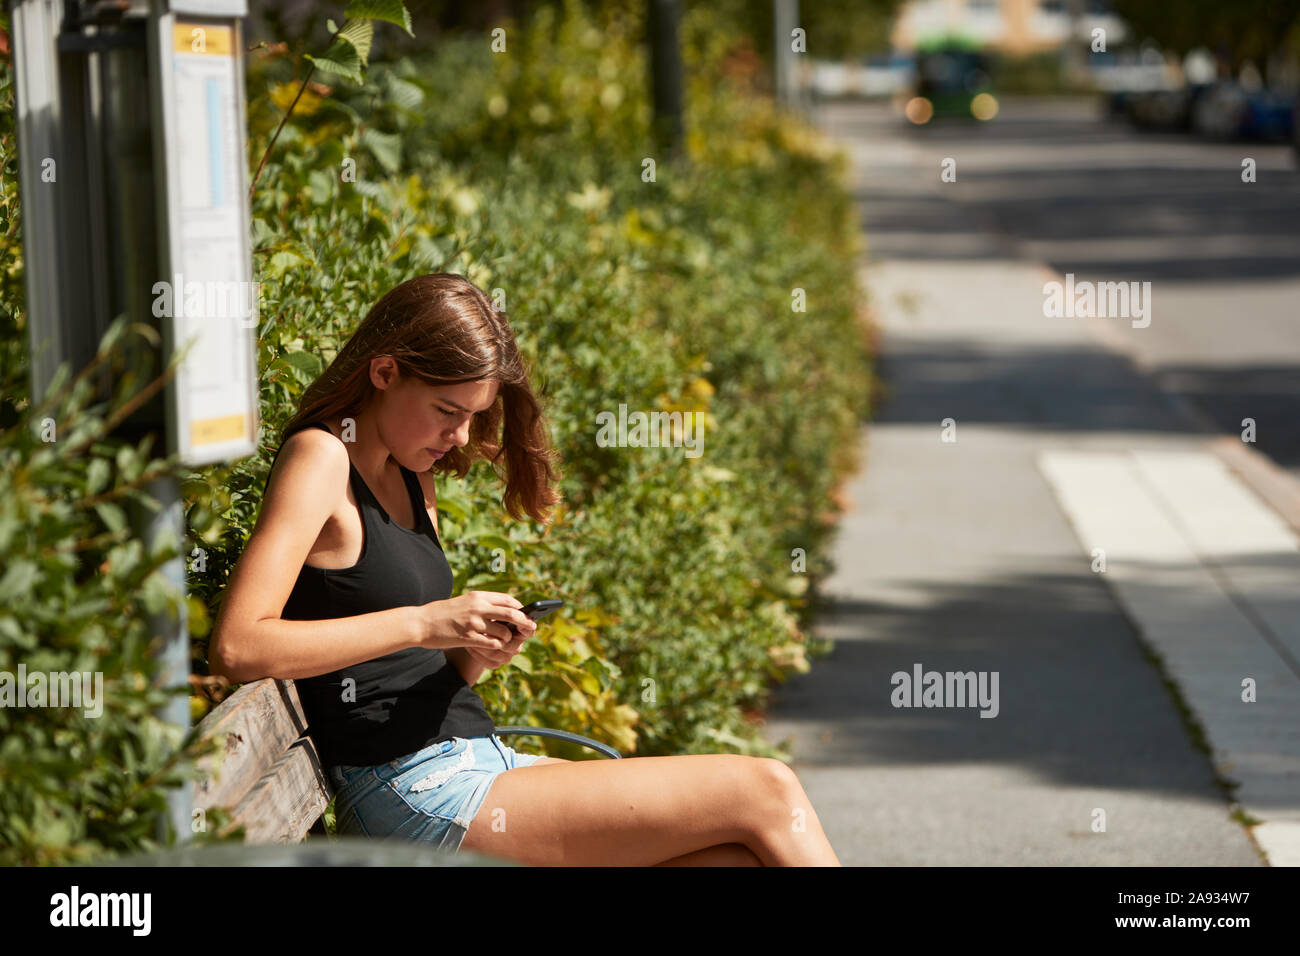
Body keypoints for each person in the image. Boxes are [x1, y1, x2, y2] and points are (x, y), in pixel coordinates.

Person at [208, 273, 841, 866]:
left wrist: (472, 651)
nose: (459, 436)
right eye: (447, 410)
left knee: (733, 860)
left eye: (471, 416)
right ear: (383, 371)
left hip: (478, 762)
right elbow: (239, 644)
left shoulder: (412, 474)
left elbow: (393, 669)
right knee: (765, 788)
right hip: (413, 789)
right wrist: (427, 623)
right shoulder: (319, 458)